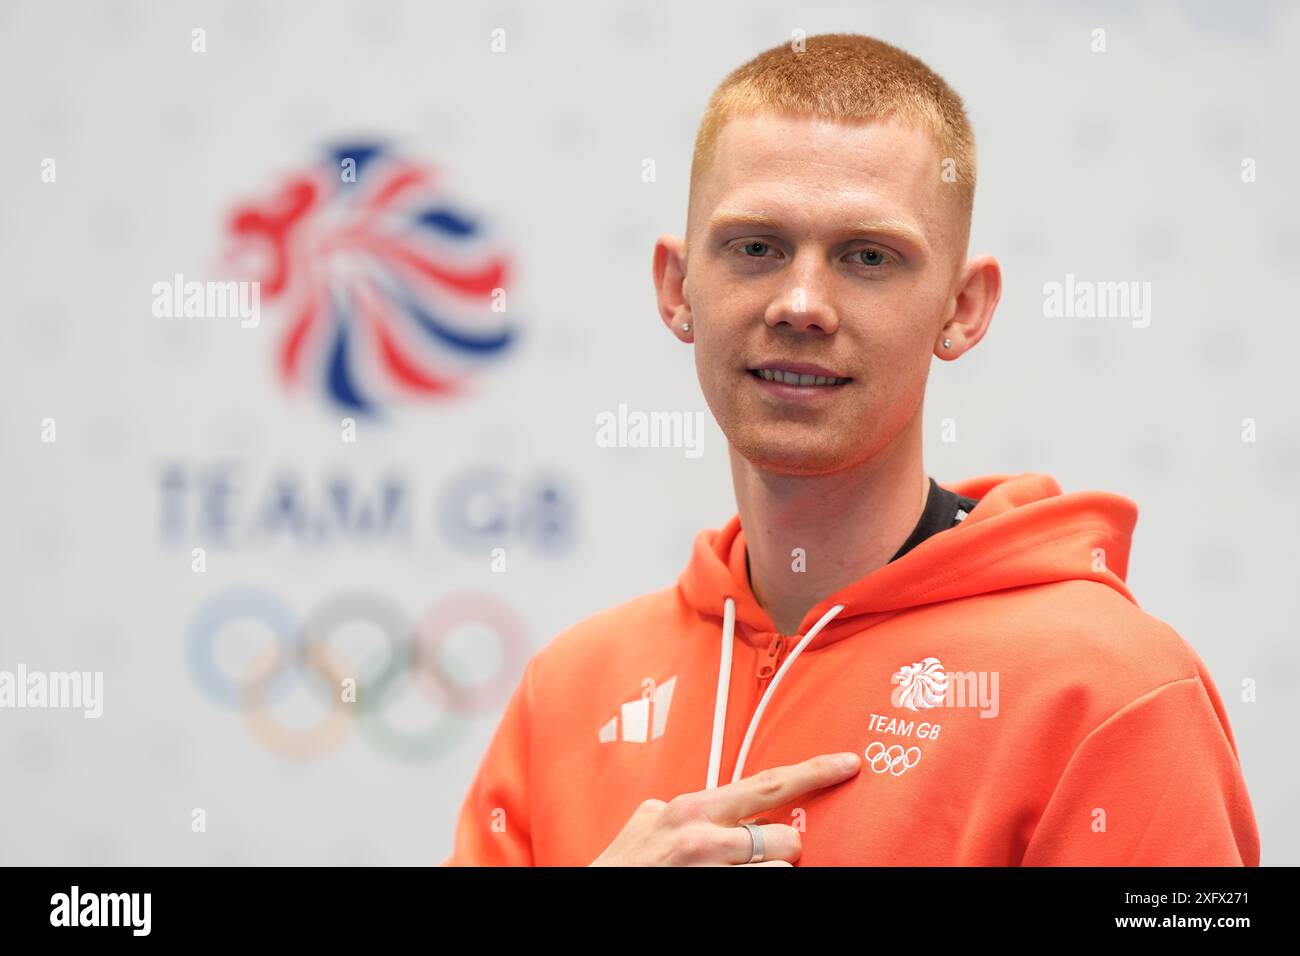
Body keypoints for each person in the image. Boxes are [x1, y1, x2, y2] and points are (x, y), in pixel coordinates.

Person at [441, 33, 1260, 866]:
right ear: (675, 287)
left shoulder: (1108, 689)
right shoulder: (572, 692)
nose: (802, 305)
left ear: (964, 308)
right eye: (756, 247)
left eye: (868, 257)